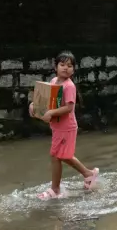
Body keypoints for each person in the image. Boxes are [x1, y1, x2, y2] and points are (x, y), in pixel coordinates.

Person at [29, 51, 99, 199]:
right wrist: (34, 105)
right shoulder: (54, 81)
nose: (65, 68)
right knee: (63, 156)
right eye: (62, 64)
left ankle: (55, 190)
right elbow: (46, 100)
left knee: (56, 156)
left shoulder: (69, 86)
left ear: (73, 69)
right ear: (56, 67)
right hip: (57, 126)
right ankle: (88, 174)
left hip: (67, 127)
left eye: (69, 65)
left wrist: (52, 113)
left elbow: (69, 108)